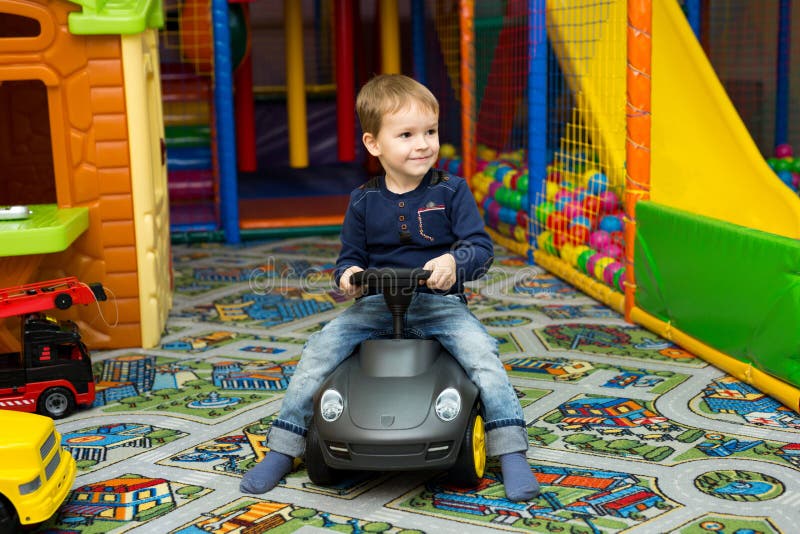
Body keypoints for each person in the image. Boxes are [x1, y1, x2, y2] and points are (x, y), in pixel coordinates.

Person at [240, 74, 539, 501]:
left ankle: (511, 451)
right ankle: (284, 448)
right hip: (378, 305)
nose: (424, 144)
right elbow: (349, 257)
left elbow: (480, 247)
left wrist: (455, 263)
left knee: (483, 356)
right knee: (319, 351)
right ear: (374, 143)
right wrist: (347, 276)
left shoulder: (451, 191)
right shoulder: (363, 201)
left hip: (439, 304)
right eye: (407, 134)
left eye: (431, 132)